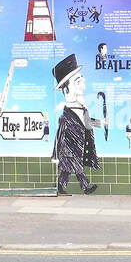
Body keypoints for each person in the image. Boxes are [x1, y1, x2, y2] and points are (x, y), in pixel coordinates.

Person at [51, 53, 102, 195]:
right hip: (70, 150)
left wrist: (101, 123)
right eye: (78, 82)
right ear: (66, 91)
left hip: (77, 149)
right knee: (76, 169)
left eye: (82, 81)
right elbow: (60, 135)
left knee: (68, 170)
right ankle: (85, 188)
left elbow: (86, 123)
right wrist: (57, 154)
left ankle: (61, 186)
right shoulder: (66, 116)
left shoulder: (81, 109)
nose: (83, 87)